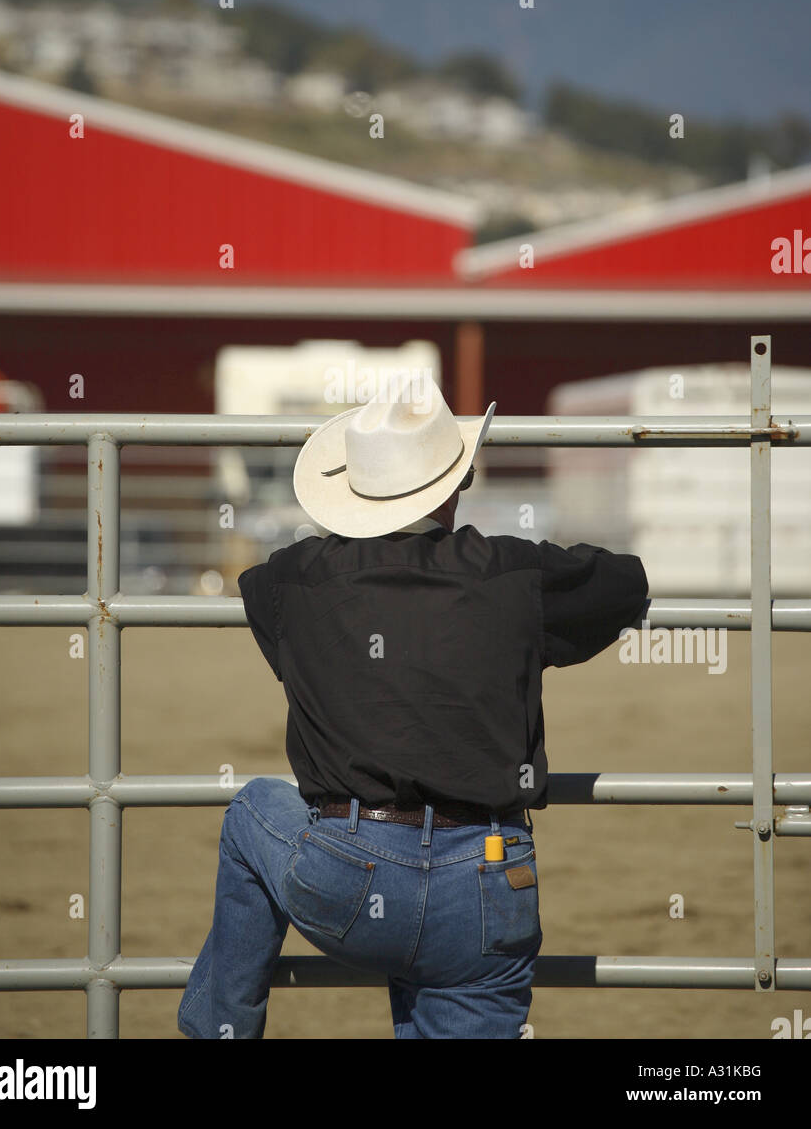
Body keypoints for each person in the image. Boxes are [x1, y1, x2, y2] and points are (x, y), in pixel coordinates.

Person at [178, 373, 648, 1040]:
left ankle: (219, 1029)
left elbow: (271, 614)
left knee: (253, 807)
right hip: (485, 881)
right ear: (456, 485)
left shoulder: (293, 580)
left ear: (353, 492)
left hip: (345, 872)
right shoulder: (516, 573)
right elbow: (625, 582)